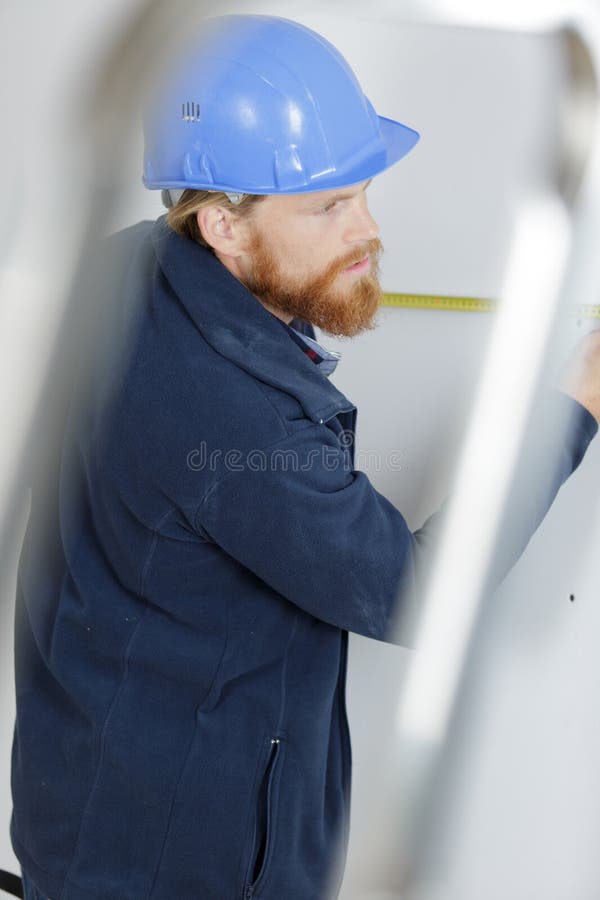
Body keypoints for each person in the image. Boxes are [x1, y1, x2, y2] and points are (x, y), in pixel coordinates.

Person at [10, 14, 600, 900]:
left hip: (92, 801)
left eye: (363, 191)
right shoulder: (239, 420)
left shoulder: (130, 271)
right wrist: (572, 409)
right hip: (180, 868)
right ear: (224, 229)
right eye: (327, 207)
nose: (368, 233)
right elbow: (415, 592)